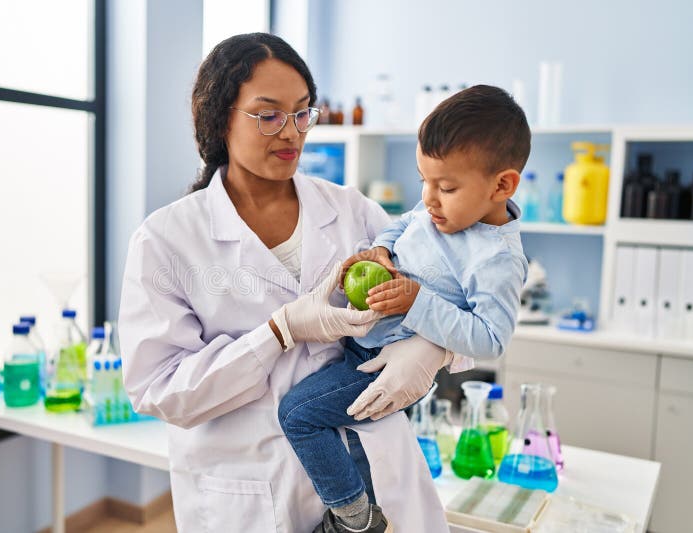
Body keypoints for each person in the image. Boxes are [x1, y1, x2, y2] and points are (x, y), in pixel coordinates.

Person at [118, 33, 450, 533]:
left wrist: (431, 349)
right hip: (255, 492)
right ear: (220, 118)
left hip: (380, 470)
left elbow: (454, 291)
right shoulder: (166, 239)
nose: (292, 132)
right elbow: (161, 391)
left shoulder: (351, 210)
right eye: (268, 115)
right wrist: (279, 333)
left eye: (302, 112)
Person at [278, 85, 530, 531]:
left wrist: (417, 302)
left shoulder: (498, 259)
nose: (429, 198)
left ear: (502, 185)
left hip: (383, 366)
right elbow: (405, 224)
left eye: (446, 187)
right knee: (356, 443)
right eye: (423, 181)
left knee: (298, 415)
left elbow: (491, 338)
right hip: (362, 344)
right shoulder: (439, 210)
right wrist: (381, 249)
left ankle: (353, 517)